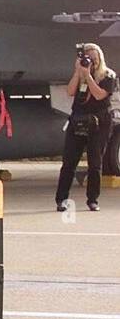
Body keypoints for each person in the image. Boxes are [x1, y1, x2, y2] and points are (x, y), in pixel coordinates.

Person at [55, 43, 116, 212]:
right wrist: (78, 72)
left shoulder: (108, 75)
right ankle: (61, 199)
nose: (91, 62)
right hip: (78, 120)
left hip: (99, 123)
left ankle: (92, 200)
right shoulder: (80, 74)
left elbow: (99, 94)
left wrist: (88, 76)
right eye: (88, 59)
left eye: (94, 59)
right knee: (69, 162)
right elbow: (70, 91)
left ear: (100, 58)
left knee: (95, 163)